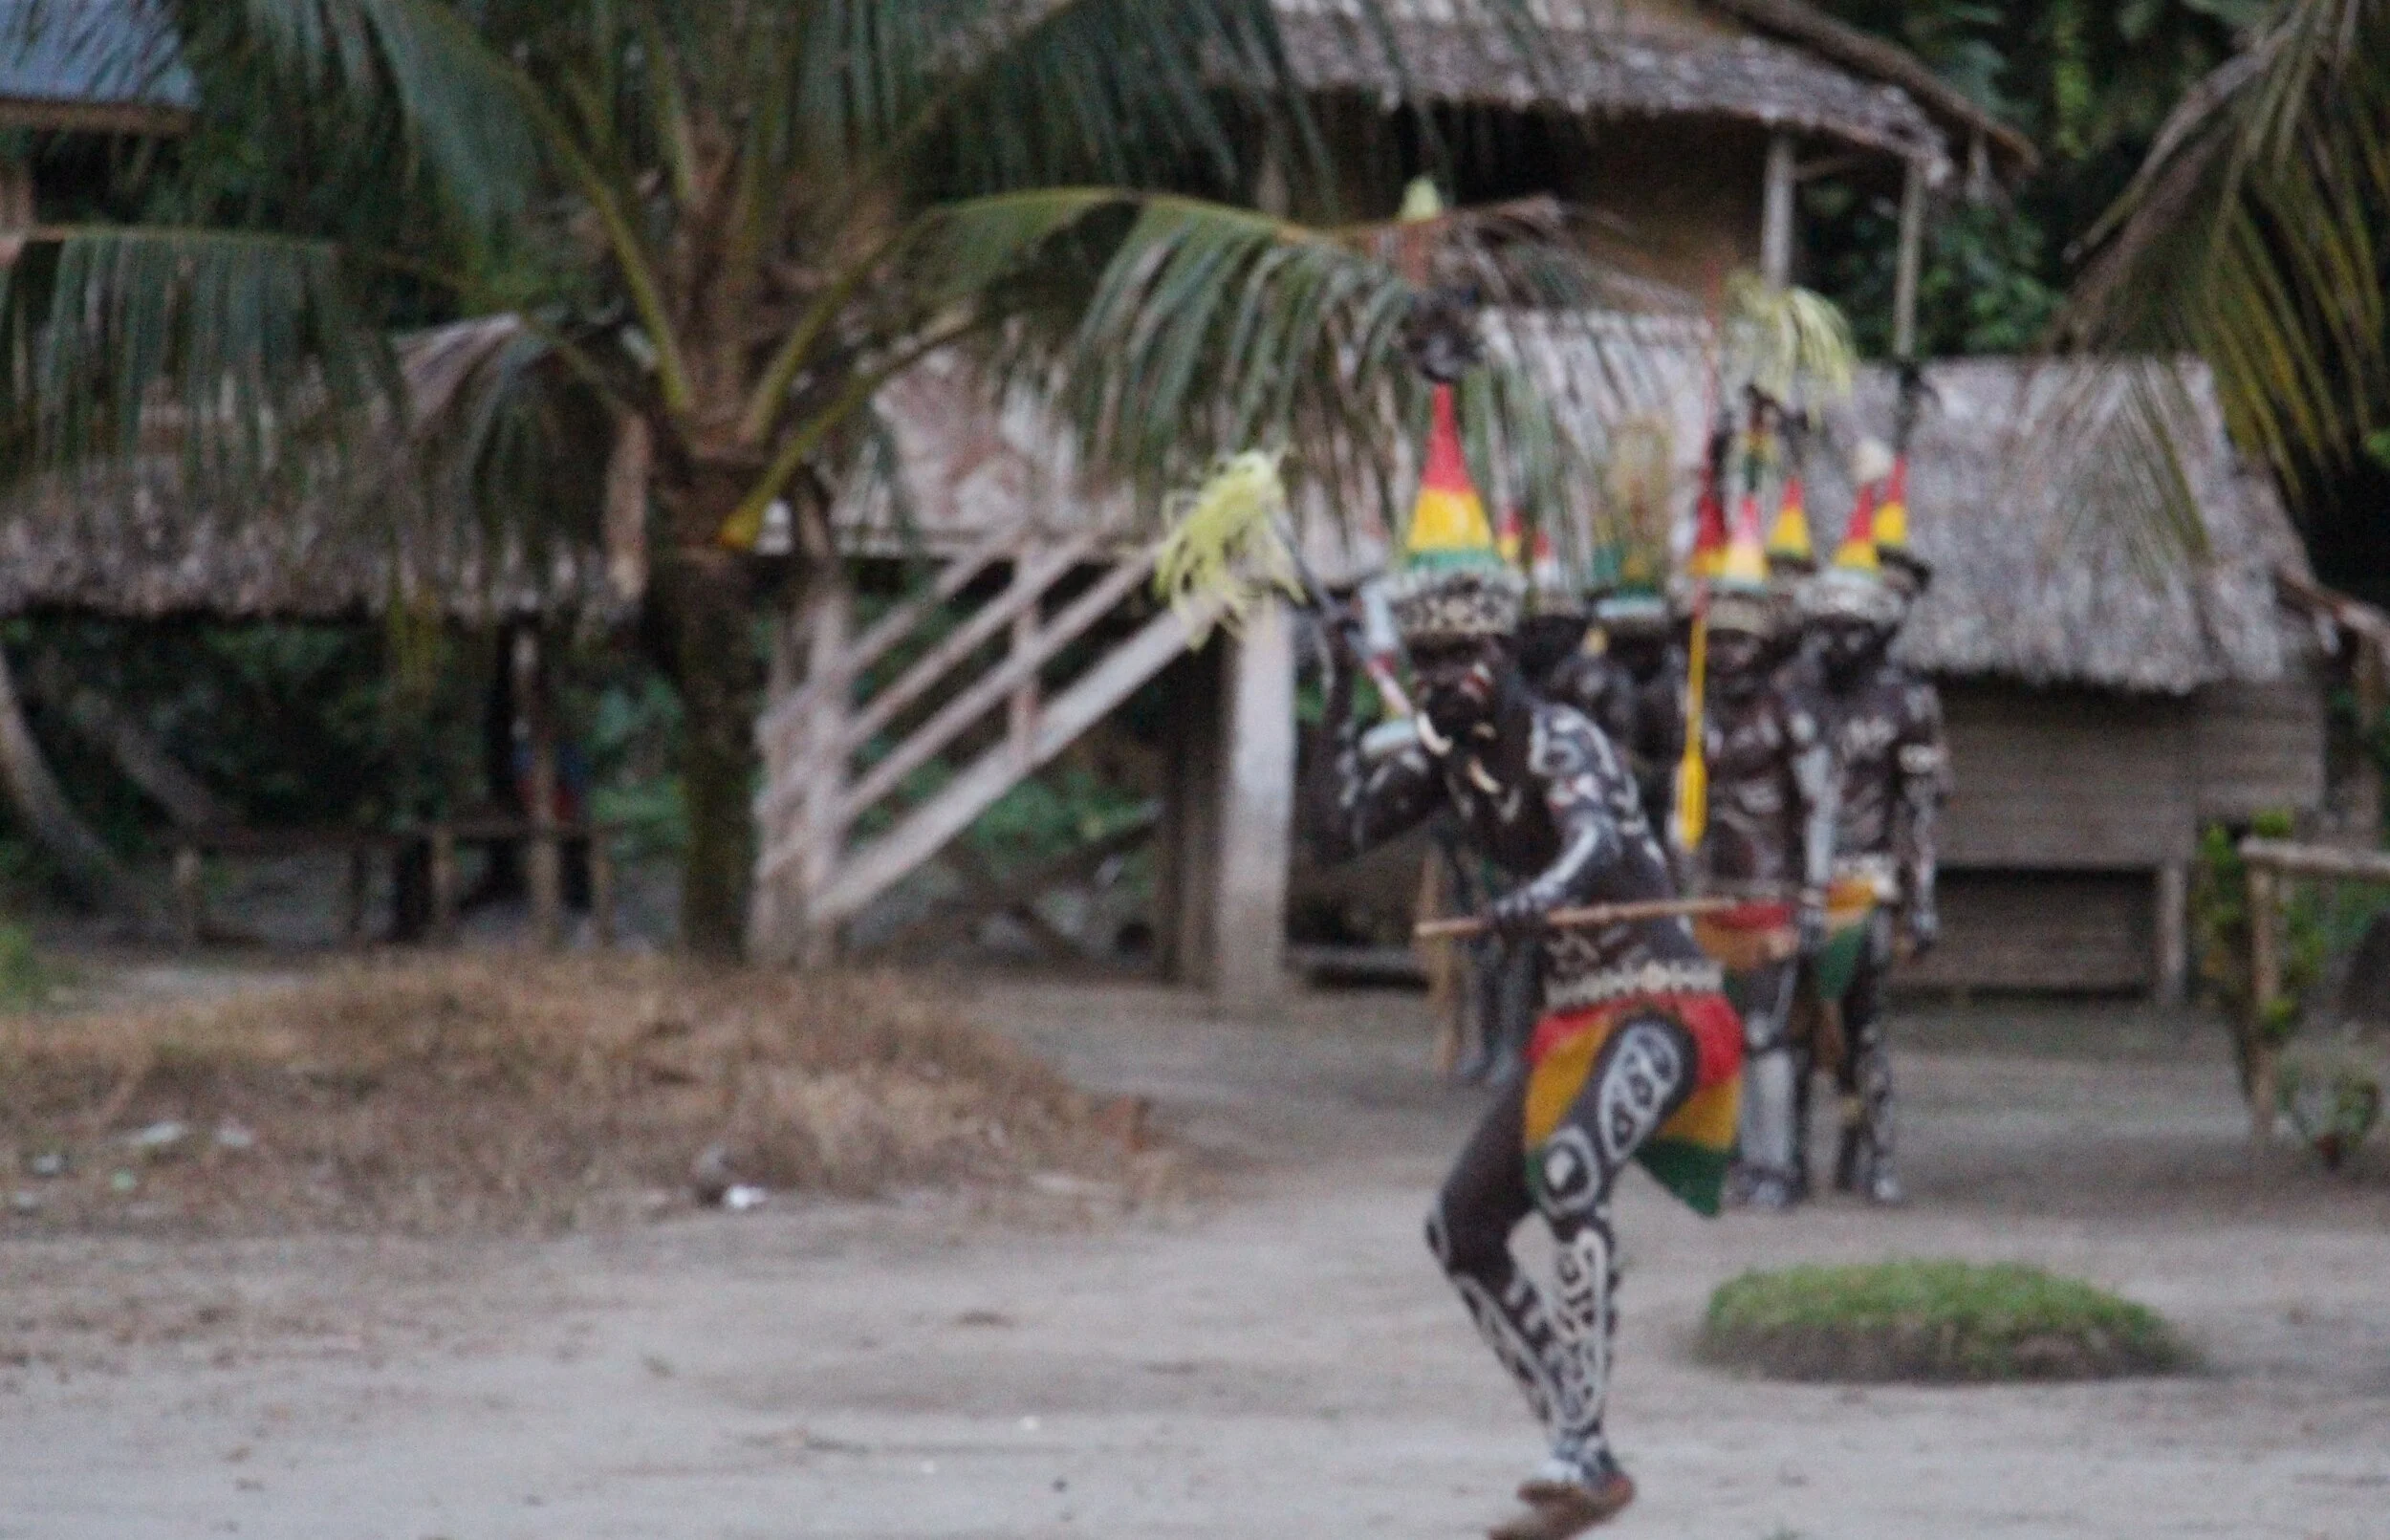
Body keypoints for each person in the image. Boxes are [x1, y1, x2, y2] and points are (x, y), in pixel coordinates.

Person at [1307, 375, 1741, 1540]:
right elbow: (1335, 831)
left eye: (1462, 656)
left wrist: (1533, 900)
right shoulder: (1443, 764)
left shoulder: (1564, 736)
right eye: (1427, 658)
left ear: (1502, 652)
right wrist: (1339, 686)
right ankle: (1578, 1440)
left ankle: (1580, 1444)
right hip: (1566, 1027)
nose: (1444, 678)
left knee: (1568, 1179)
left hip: (1659, 1006)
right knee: (1460, 1228)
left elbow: (1596, 842)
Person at [1793, 494, 1945, 1205]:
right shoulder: (1796, 694)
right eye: (1825, 628)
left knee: (1866, 1029)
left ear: (1879, 632)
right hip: (1794, 887)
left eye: (1851, 630)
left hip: (1867, 885)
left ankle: (1875, 1151)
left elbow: (1918, 812)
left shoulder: (1907, 703)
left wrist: (1921, 903)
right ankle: (1784, 1157)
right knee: (1788, 1029)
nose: (1835, 642)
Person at [1686, 532, 1837, 1212]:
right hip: (1717, 898)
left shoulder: (1790, 712)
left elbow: (1819, 804)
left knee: (1767, 1033)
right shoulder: (1703, 715)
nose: (1725, 657)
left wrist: (1813, 896)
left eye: (1738, 644)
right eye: (1716, 644)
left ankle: (1778, 1165)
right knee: (1723, 1031)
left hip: (1774, 899)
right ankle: (1744, 1159)